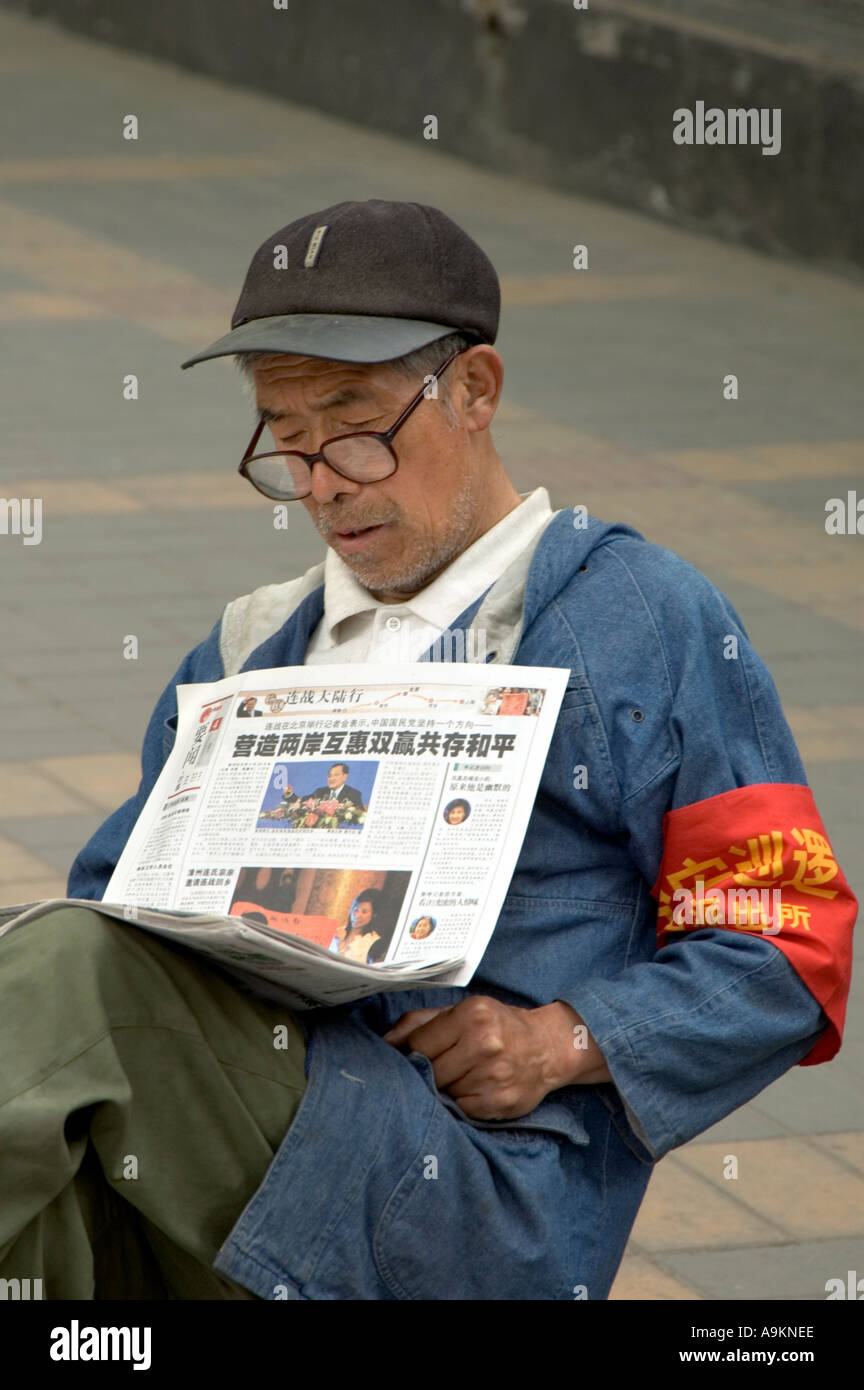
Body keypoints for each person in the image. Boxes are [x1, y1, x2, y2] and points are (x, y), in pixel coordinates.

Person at [1, 200, 856, 1302]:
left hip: (473, 1197)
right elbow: (110, 918)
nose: (322, 482)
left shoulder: (641, 618)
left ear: (477, 389)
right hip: (238, 1145)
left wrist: (563, 1037)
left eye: (355, 425)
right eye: (286, 437)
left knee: (67, 980)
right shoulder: (250, 646)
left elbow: (793, 945)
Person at [328, 889, 384, 963]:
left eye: (364, 912)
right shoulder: (339, 931)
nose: (357, 915)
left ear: (374, 915)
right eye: (356, 910)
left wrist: (340, 944)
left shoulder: (373, 941)